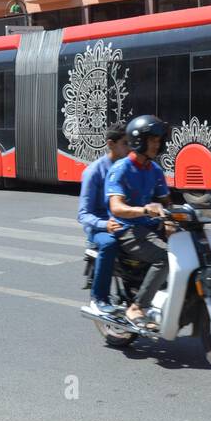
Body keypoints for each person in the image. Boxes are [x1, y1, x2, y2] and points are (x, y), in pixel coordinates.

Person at [105, 115, 173, 329]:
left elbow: (167, 203)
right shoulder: (121, 169)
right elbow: (116, 207)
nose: (157, 144)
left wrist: (173, 220)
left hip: (150, 227)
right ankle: (138, 307)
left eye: (158, 140)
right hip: (128, 229)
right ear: (138, 140)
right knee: (165, 257)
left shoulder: (155, 170)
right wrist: (144, 209)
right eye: (152, 140)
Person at [78, 122, 129, 318]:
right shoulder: (94, 172)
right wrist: (105, 224)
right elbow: (83, 215)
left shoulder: (129, 168)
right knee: (109, 244)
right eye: (126, 144)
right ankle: (99, 298)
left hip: (125, 221)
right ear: (111, 144)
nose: (130, 148)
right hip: (100, 228)